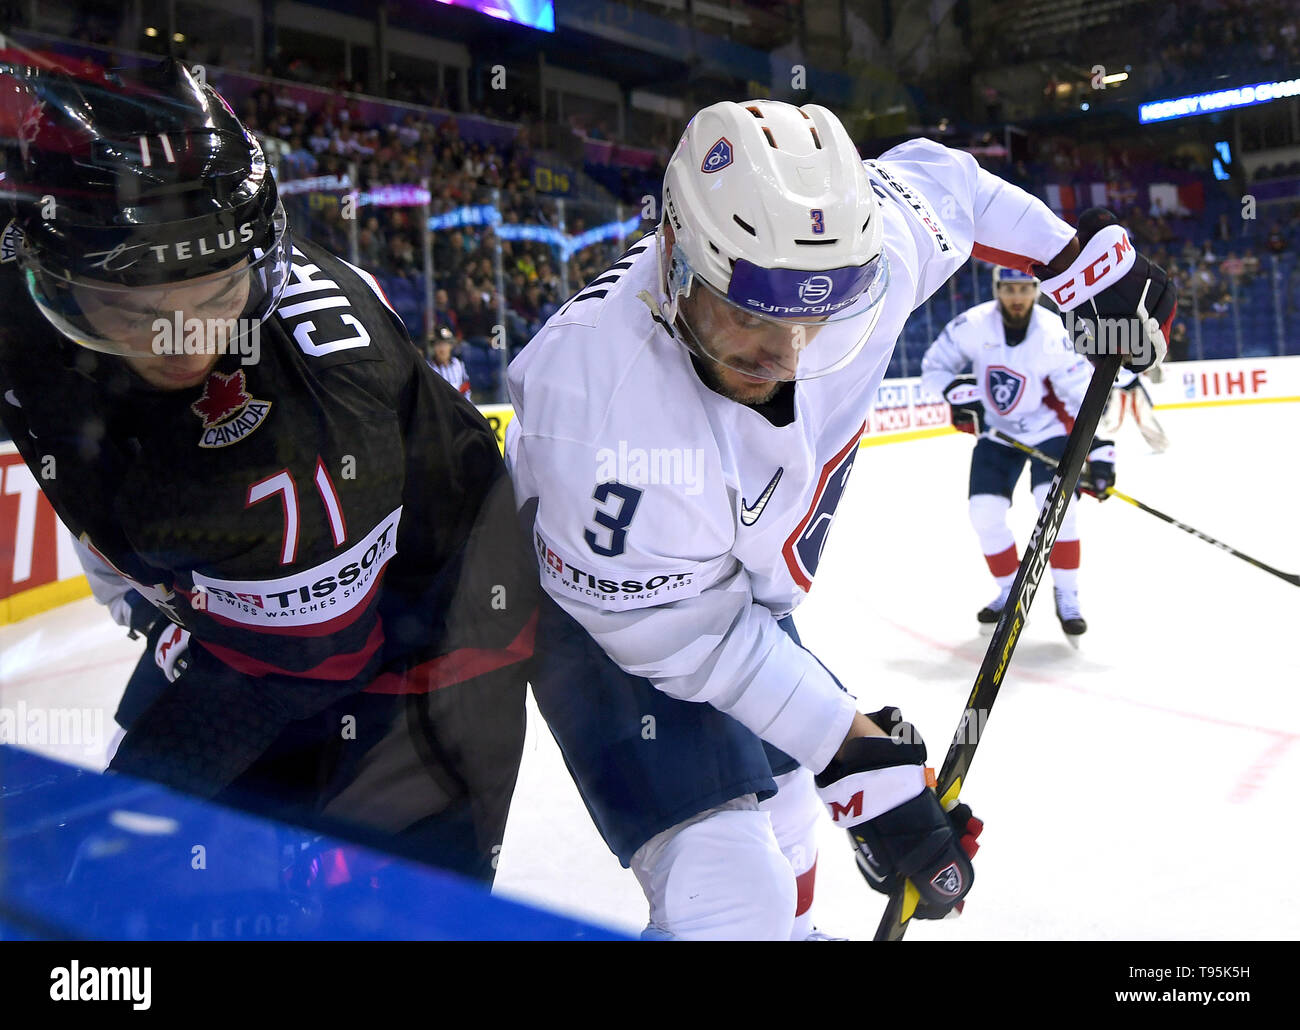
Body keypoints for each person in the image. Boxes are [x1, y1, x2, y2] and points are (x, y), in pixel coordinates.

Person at [506, 100, 1174, 938]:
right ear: (675, 257)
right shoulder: (600, 418)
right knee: (727, 895)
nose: (785, 357)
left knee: (788, 813)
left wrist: (1078, 265)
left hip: (719, 590)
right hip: (603, 611)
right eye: (750, 316)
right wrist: (854, 750)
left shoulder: (843, 262)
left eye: (810, 319)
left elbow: (952, 191)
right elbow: (691, 643)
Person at [0, 57, 536, 883]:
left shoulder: (314, 434)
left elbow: (289, 674)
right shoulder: (27, 268)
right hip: (253, 610)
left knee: (391, 908)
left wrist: (117, 824)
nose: (188, 340)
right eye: (140, 311)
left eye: (217, 295)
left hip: (431, 638)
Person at [921, 266, 1117, 643]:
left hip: (1049, 431)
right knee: (983, 513)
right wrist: (959, 395)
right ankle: (1010, 590)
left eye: (1024, 288)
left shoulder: (1055, 335)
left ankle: (1067, 596)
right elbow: (934, 367)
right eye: (1009, 288)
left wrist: (1100, 449)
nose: (1016, 296)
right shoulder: (973, 324)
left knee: (1057, 507)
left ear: (1035, 291)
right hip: (997, 433)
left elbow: (1082, 396)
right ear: (997, 289)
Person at [427, 326, 471, 399]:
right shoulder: (428, 368)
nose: (442, 348)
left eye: (445, 344)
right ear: (433, 347)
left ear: (451, 345)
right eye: (438, 344)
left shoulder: (458, 365)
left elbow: (465, 390)